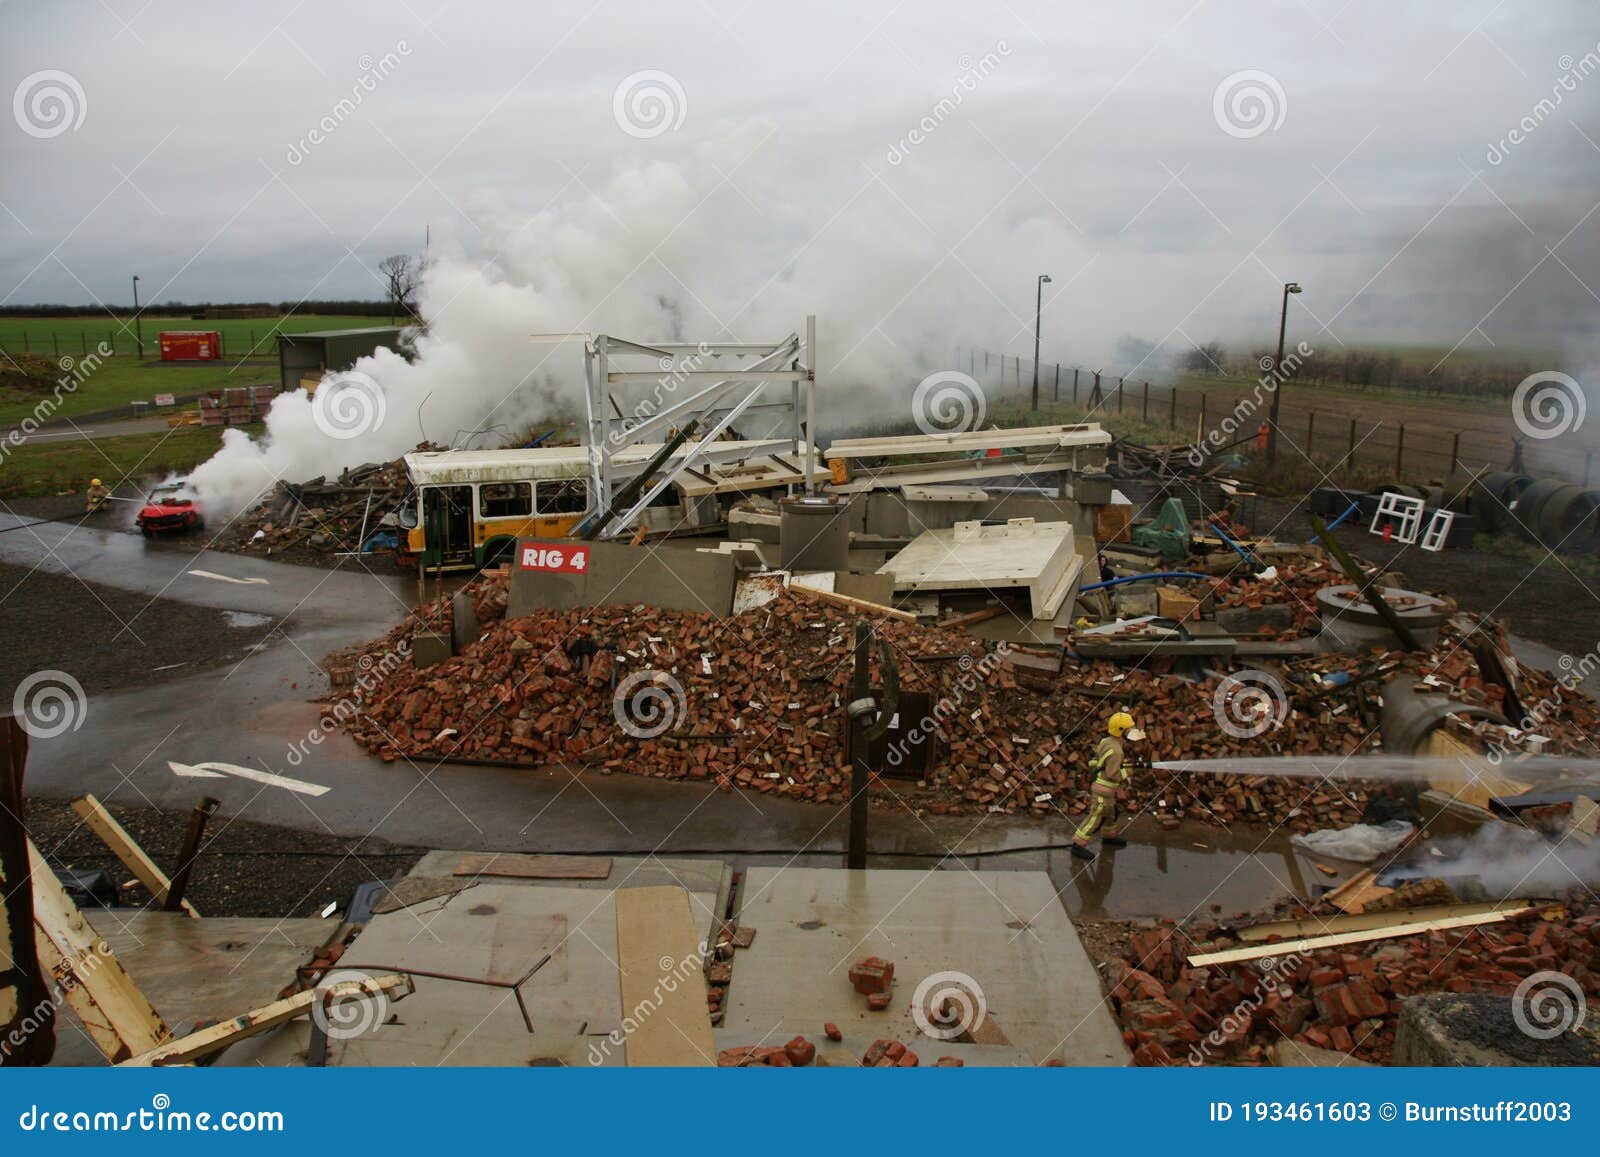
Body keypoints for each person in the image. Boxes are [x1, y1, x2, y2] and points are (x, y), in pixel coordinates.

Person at [1071, 711, 1145, 862]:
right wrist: (1129, 771)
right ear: (1121, 731)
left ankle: (1109, 836)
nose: (1131, 731)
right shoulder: (1117, 751)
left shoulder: (1107, 741)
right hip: (1104, 788)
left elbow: (1098, 758)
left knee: (1111, 813)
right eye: (1129, 729)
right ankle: (1078, 844)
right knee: (1096, 817)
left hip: (1104, 787)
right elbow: (1113, 774)